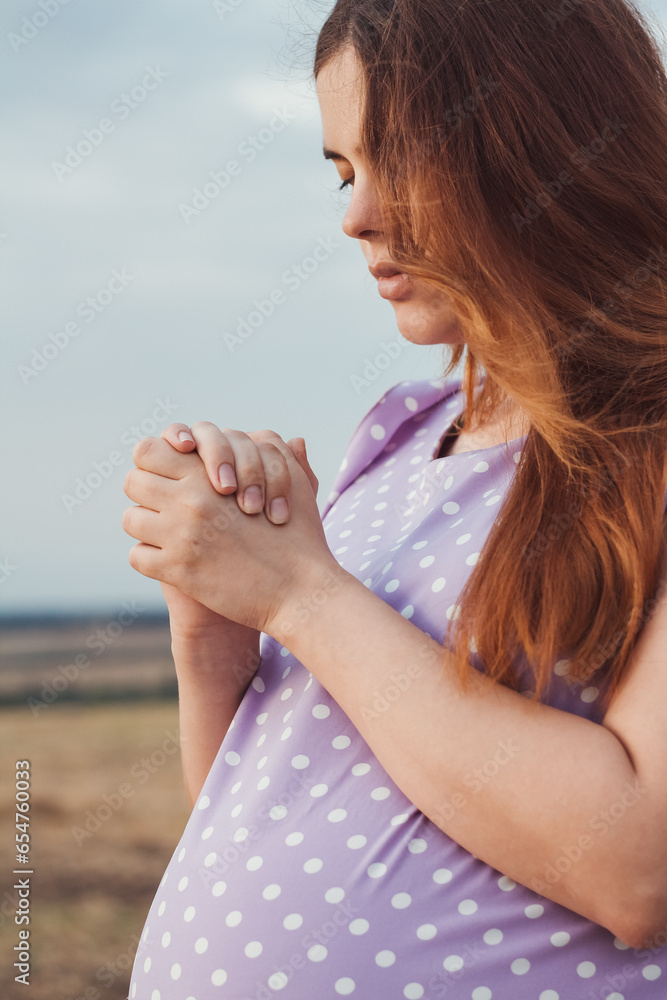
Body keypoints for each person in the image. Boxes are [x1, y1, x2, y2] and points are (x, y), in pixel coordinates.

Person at [122, 0, 667, 997]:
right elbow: (262, 805)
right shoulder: (402, 438)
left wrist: (301, 595)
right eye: (342, 171)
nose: (355, 216)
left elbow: (635, 861)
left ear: (547, 144)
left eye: (401, 162)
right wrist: (218, 633)